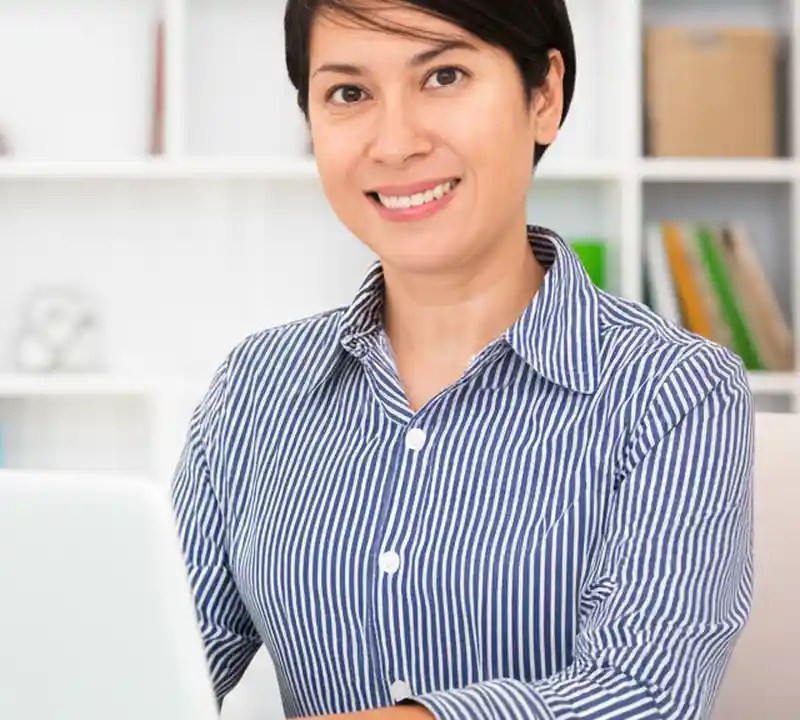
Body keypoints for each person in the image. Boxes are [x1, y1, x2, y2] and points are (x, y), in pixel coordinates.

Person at [169, 1, 755, 719]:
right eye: (349, 94)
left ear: (544, 96)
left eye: (443, 76)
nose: (395, 143)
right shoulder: (257, 387)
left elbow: (638, 695)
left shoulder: (675, 391)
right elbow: (156, 654)